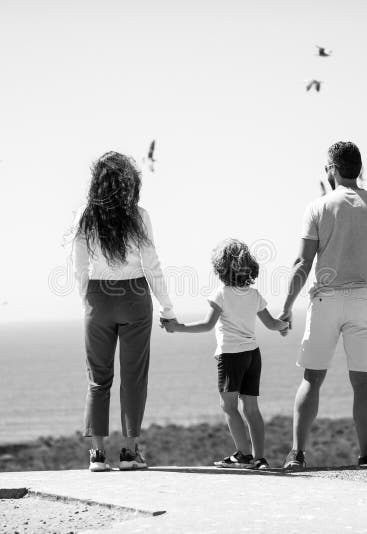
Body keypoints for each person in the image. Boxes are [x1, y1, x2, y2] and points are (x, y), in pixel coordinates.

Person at [279, 141, 367, 469]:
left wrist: (287, 306)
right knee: (363, 383)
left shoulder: (317, 208)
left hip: (326, 300)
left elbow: (302, 264)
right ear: (359, 169)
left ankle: (297, 454)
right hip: (364, 300)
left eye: (326, 167)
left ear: (332, 169)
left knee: (312, 379)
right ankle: (365, 456)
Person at [71, 151, 176, 472]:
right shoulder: (140, 215)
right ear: (130, 181)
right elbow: (152, 264)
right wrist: (167, 307)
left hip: (98, 298)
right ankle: (130, 452)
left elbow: (79, 266)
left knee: (98, 379)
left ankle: (97, 455)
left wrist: (87, 301)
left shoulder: (85, 215)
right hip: (134, 296)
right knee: (134, 378)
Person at [162, 239, 288, 470]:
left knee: (228, 406)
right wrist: (284, 327)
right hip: (253, 355)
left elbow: (206, 325)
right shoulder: (254, 294)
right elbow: (272, 324)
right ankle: (260, 458)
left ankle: (243, 455)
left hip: (231, 356)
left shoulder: (221, 293)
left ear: (221, 268)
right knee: (252, 408)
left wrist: (176, 327)